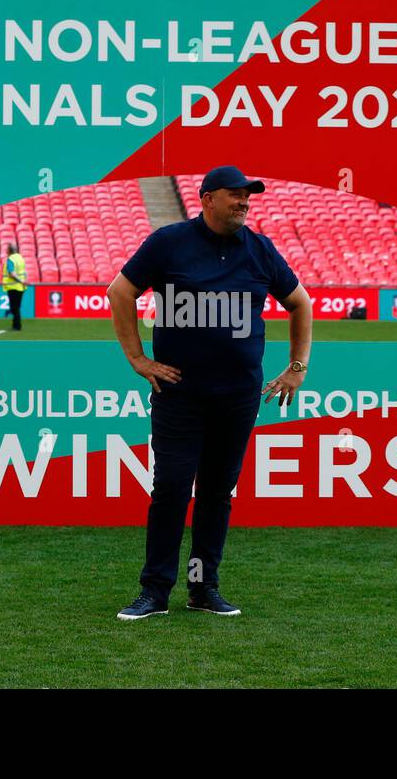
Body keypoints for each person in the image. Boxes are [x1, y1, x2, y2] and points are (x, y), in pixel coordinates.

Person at [108, 166, 313, 621]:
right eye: (234, 195)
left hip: (238, 396)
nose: (244, 202)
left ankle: (203, 587)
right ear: (207, 199)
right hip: (179, 393)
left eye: (247, 196)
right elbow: (120, 292)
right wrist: (138, 360)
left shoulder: (260, 249)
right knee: (172, 489)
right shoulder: (169, 242)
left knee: (218, 493)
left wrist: (297, 368)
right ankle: (155, 591)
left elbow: (300, 302)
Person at [1, 242, 26, 330]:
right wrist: (23, 281)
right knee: (16, 307)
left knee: (15, 308)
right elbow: (23, 271)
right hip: (21, 287)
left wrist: (20, 281)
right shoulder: (20, 258)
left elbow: (12, 273)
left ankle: (17, 326)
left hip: (13, 286)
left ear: (10, 251)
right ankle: (12, 315)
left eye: (7, 250)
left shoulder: (10, 259)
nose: (5, 251)